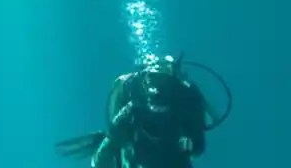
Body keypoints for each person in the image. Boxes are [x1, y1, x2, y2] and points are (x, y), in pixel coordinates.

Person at [56, 55, 220, 168]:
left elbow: (198, 146)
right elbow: (198, 148)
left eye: (163, 85)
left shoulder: (184, 101)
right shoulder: (132, 111)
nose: (157, 93)